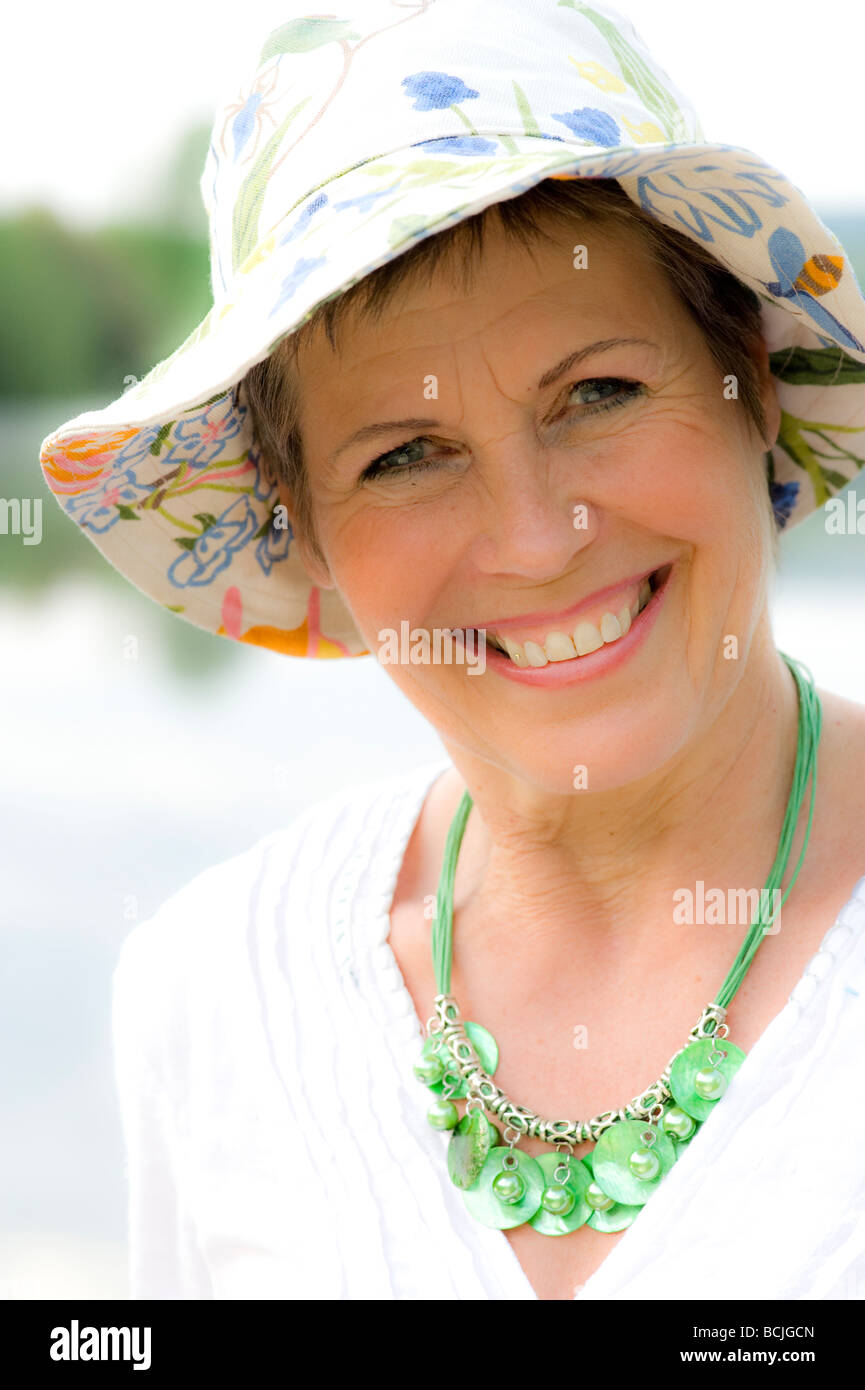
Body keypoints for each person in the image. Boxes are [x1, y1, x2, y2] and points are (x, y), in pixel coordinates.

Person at [40, 0, 865, 1301]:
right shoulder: (212, 992)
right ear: (301, 529)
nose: (536, 541)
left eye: (596, 391)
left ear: (751, 388)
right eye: (404, 455)